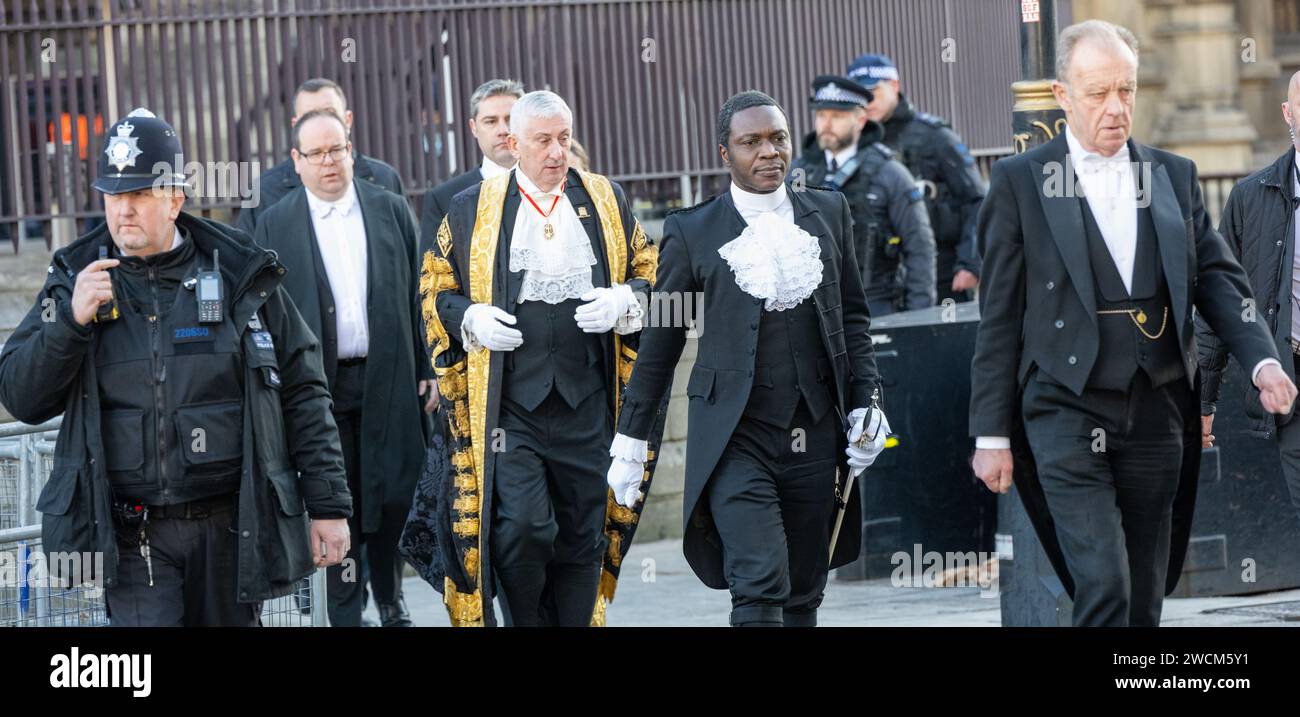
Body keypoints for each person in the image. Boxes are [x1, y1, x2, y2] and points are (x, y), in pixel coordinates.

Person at [969, 20, 1295, 627]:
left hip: (1157, 404)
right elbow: (999, 317)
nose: (1116, 108)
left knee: (1145, 593)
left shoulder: (1173, 175)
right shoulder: (1019, 183)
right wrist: (990, 434)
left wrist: (1264, 358)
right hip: (1064, 405)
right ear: (1063, 96)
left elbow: (1219, 280)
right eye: (1098, 94)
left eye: (1127, 90)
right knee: (1105, 583)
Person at [0, 108, 352, 626]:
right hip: (133, 539)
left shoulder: (239, 275)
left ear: (175, 198)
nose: (124, 211)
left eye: (140, 194)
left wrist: (328, 506)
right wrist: (69, 325)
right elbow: (20, 396)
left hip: (231, 529)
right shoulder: (75, 279)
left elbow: (303, 390)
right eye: (114, 195)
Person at [605, 91, 889, 627]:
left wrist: (866, 404)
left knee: (805, 589)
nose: (768, 152)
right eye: (751, 142)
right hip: (736, 438)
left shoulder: (830, 211)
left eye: (778, 138)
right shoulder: (691, 232)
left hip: (816, 431)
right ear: (724, 153)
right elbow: (661, 345)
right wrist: (630, 440)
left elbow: (854, 321)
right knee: (758, 582)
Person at [420, 90, 661, 626]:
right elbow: (434, 286)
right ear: (513, 144)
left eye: (564, 139)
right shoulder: (472, 208)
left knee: (582, 532)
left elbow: (654, 269)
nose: (557, 153)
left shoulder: (604, 199)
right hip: (511, 410)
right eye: (543, 141)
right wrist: (469, 318)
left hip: (589, 403)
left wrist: (628, 299)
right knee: (523, 528)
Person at [252, 109, 431, 627]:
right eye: (316, 153)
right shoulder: (277, 222)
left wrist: (429, 367)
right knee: (337, 498)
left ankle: (393, 601)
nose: (328, 162)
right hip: (318, 386)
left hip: (389, 378)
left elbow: (421, 291)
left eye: (337, 149)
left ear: (352, 149)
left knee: (392, 493)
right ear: (297, 161)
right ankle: (346, 612)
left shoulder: (390, 208)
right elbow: (267, 314)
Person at [1198, 69, 1300, 524]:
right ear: (1287, 113)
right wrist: (1204, 402)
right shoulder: (1249, 197)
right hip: (1289, 381)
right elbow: (1219, 302)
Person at [791, 74, 935, 315]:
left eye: (837, 116)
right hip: (813, 311)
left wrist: (917, 319)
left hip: (875, 306)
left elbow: (920, 248)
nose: (826, 124)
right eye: (821, 115)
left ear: (860, 120)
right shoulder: (799, 174)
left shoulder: (890, 174)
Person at [847, 53, 985, 302]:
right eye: (860, 96)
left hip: (941, 274)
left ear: (895, 87)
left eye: (874, 91)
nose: (867, 102)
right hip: (880, 282)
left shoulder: (934, 136)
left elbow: (978, 200)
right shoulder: (852, 143)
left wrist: (970, 264)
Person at [238, 78, 406, 235]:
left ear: (348, 120)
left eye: (330, 113)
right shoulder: (264, 193)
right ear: (296, 126)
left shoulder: (384, 178)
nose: (321, 122)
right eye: (309, 116)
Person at [418, 79, 524, 260]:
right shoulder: (444, 199)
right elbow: (433, 280)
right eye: (490, 121)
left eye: (510, 120)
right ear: (474, 128)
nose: (503, 130)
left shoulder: (551, 184)